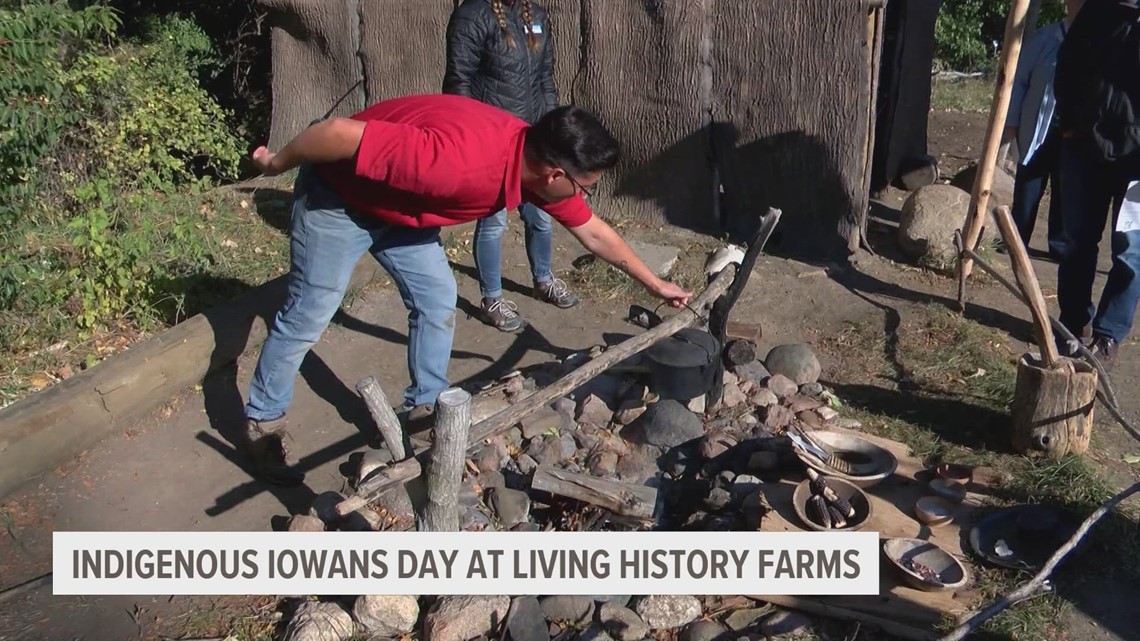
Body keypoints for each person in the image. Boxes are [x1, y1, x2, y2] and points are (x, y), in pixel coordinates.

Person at [239, 93, 692, 485]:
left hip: (403, 214)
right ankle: (264, 422)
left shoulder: (532, 164)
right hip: (338, 201)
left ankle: (423, 410)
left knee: (436, 301)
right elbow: (335, 132)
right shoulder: (456, 161)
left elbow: (593, 232)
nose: (585, 196)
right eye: (584, 187)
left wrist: (655, 284)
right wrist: (274, 162)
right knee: (309, 313)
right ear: (554, 174)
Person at [443, 0, 574, 332]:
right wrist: (472, 139)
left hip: (534, 140)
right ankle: (492, 299)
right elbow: (459, 82)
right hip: (494, 141)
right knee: (494, 223)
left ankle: (543, 280)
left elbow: (546, 80)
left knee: (541, 219)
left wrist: (553, 131)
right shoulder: (474, 14)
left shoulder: (536, 16)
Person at [1052, 0, 1140, 368]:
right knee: (1076, 242)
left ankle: (1108, 336)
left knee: (1130, 251)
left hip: (1136, 157)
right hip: (1085, 144)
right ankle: (1072, 325)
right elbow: (1068, 64)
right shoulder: (1099, 11)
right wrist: (1070, 123)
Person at [1001, 0, 1085, 260]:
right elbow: (1018, 83)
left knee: (1066, 190)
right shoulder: (1044, 39)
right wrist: (1011, 122)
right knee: (1029, 186)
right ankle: (1016, 240)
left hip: (1076, 131)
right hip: (1038, 130)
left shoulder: (1097, 41)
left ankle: (1059, 246)